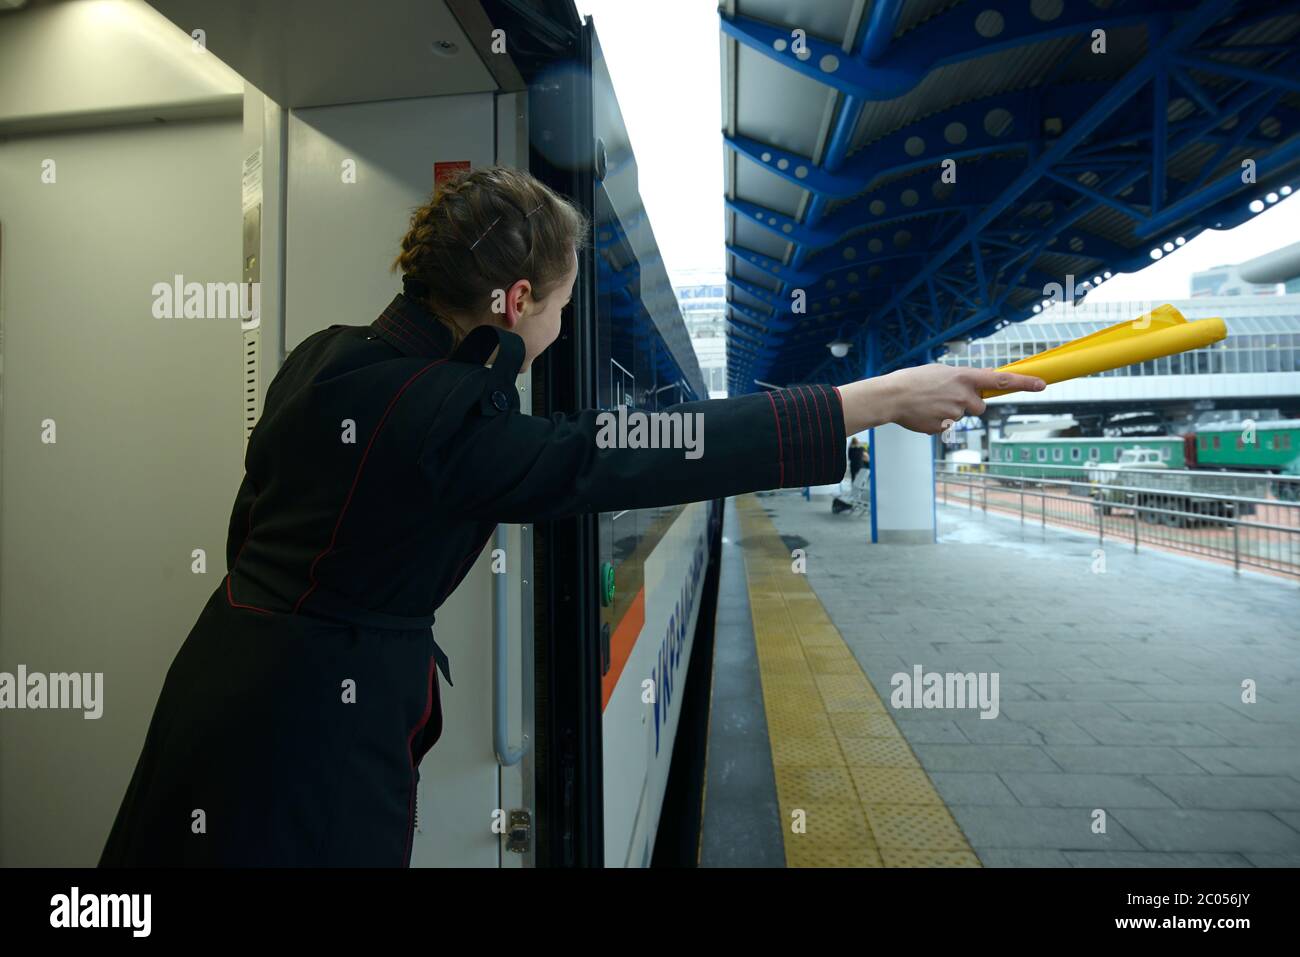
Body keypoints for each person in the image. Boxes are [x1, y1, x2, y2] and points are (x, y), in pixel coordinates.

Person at [98, 165, 1045, 867]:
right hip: (310, 742)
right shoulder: (445, 413)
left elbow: (254, 517)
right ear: (514, 303)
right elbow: (614, 457)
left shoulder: (327, 355)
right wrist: (870, 398)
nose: (559, 326)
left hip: (219, 679)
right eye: (556, 304)